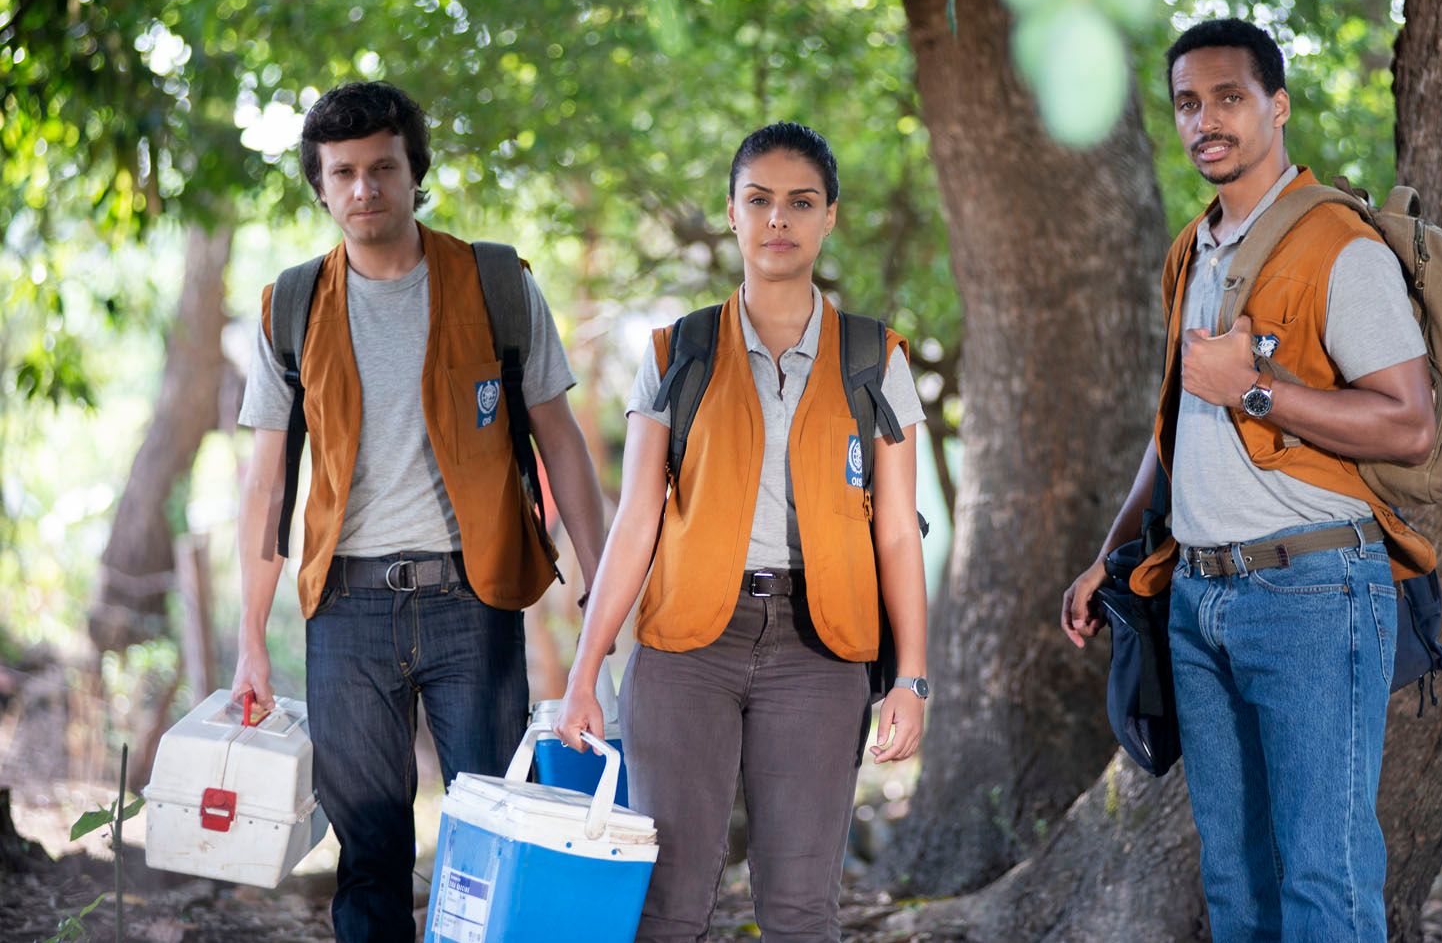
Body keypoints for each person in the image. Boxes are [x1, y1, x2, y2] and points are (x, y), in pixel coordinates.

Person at [1062, 19, 1438, 941]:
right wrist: (1109, 557)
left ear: (1275, 106)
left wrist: (1258, 389)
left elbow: (1411, 423)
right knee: (1236, 884)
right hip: (1198, 599)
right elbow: (1176, 426)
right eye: (1188, 103)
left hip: (1314, 590)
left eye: (1228, 98)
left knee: (1324, 876)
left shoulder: (1336, 248)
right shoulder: (1191, 251)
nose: (1205, 121)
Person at [229, 81, 606, 942]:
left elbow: (564, 445)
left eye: (383, 169)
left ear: (414, 172)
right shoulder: (291, 306)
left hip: (471, 601)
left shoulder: (496, 284)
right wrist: (253, 638)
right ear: (321, 187)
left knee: (494, 835)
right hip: (346, 610)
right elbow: (266, 486)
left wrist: (598, 585)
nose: (365, 189)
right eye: (345, 173)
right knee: (367, 855)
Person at [553, 122, 930, 942]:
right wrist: (586, 668)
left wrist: (913, 680)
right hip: (686, 650)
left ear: (830, 216)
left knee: (800, 910)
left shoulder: (875, 359)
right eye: (759, 200)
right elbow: (635, 521)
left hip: (822, 654)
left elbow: (898, 532)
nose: (778, 220)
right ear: (732, 213)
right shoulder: (679, 350)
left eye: (800, 202)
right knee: (668, 908)